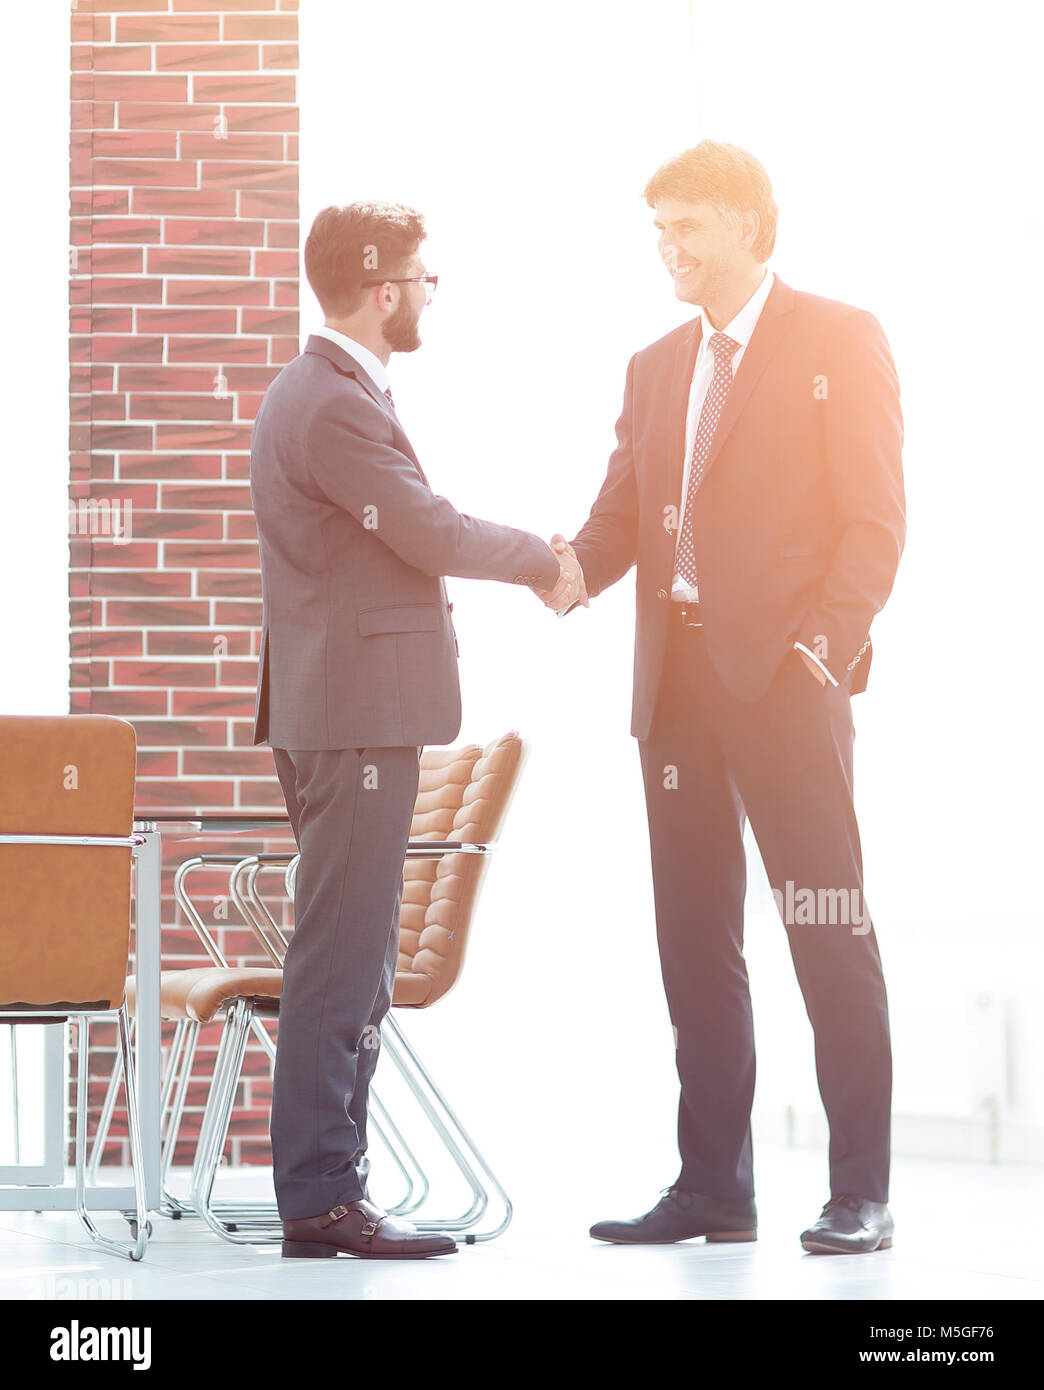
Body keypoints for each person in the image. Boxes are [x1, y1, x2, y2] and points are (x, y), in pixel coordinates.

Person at [540, 142, 905, 1254]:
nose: (669, 248)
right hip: (678, 689)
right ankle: (714, 1188)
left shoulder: (838, 337)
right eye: (658, 228)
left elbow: (875, 521)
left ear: (750, 223)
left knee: (825, 928)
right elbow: (615, 525)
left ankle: (862, 1192)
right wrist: (540, 567)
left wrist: (820, 651)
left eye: (687, 225)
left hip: (788, 685)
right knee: (694, 939)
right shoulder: (655, 365)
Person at [250, 201, 574, 1260]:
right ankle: (321, 1198)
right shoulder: (334, 404)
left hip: (337, 708)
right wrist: (544, 558)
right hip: (353, 715)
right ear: (382, 286)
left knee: (350, 955)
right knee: (342, 960)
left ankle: (328, 1188)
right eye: (427, 278)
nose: (434, 294)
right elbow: (426, 528)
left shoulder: (323, 391)